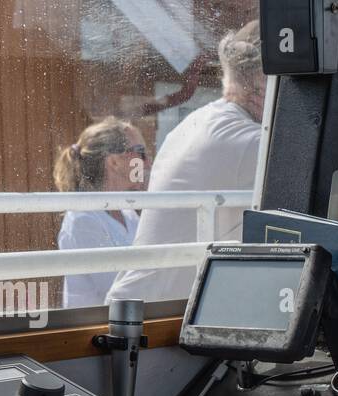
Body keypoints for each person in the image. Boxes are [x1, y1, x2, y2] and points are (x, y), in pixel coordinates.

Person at [105, 20, 265, 304]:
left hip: (146, 310)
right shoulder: (244, 140)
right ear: (261, 83)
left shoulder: (202, 121)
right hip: (156, 323)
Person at [53, 118, 148, 308]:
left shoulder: (128, 213)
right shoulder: (82, 219)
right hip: (94, 333)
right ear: (114, 162)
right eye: (141, 153)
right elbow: (118, 290)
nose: (148, 162)